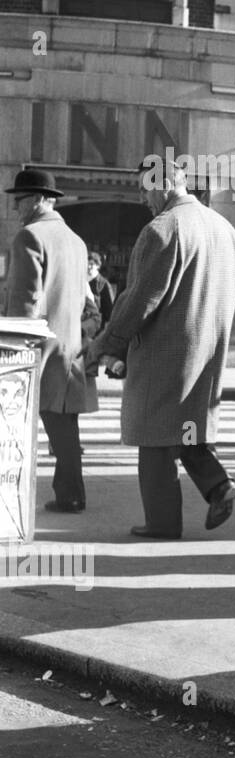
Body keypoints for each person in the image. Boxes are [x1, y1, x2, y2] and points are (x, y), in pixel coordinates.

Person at [87, 158, 235, 539]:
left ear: (162, 185)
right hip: (208, 349)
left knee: (155, 437)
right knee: (187, 429)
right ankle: (218, 485)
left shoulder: (162, 228)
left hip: (166, 350)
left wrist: (105, 345)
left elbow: (140, 298)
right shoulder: (224, 228)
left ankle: (162, 523)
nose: (142, 197)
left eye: (144, 188)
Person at [4, 168, 100, 514]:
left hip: (37, 351)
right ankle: (70, 493)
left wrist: (13, 351)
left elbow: (24, 304)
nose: (16, 208)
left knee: (19, 428)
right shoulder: (76, 241)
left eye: (20, 200)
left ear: (39, 200)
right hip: (69, 349)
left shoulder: (29, 237)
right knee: (65, 428)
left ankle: (19, 499)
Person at [87, 251, 115, 326]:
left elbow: (109, 310)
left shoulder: (104, 284)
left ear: (97, 266)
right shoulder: (82, 281)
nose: (88, 267)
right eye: (87, 264)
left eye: (91, 264)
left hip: (96, 326)